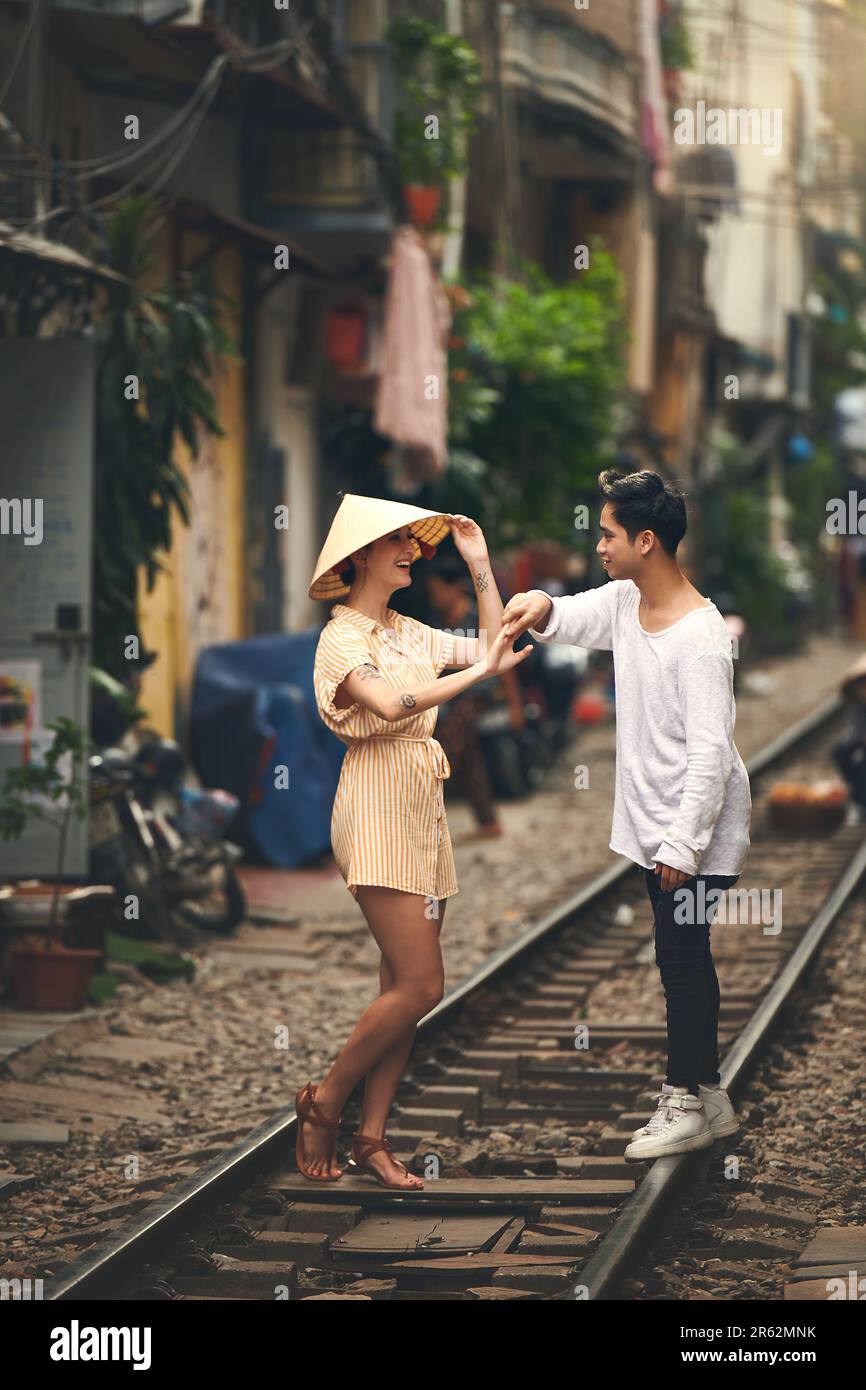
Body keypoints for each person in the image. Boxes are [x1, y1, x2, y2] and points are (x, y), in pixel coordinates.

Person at [501, 468, 752, 1160]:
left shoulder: (700, 639)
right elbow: (572, 616)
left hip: (695, 830)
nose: (599, 545)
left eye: (608, 534)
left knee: (679, 961)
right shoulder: (627, 600)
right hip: (661, 825)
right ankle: (711, 1099)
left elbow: (710, 754)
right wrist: (537, 606)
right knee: (686, 958)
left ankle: (682, 1102)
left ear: (647, 540)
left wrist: (682, 845)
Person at [301, 492, 531, 1189]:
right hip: (373, 805)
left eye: (414, 540)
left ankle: (372, 1138)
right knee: (424, 983)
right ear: (361, 556)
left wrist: (481, 564)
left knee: (400, 983)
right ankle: (325, 1101)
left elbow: (497, 646)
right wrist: (476, 676)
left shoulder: (407, 630)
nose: (412, 550)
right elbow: (392, 705)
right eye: (396, 541)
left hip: (420, 807)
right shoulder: (342, 638)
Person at [425, 553, 525, 842]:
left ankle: (424, 809)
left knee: (449, 749)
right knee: (472, 761)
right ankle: (489, 821)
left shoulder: (474, 617)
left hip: (481, 697)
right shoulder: (437, 622)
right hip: (454, 699)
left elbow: (502, 663)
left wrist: (515, 705)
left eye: (437, 590)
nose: (434, 597)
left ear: (455, 587)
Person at [832, 652, 866, 813]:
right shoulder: (857, 702)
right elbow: (854, 730)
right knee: (841, 751)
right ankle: (859, 799)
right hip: (861, 738)